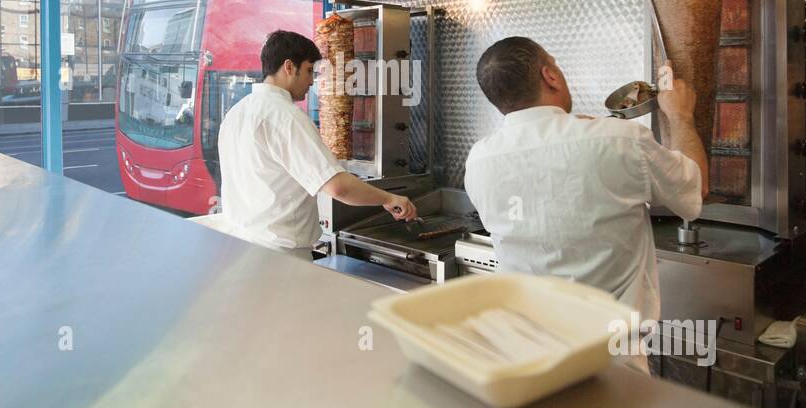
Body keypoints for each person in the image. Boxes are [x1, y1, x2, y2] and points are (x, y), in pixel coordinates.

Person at [463, 37, 708, 325]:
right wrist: (680, 115)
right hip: (606, 355)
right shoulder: (621, 139)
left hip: (524, 346)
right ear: (550, 76)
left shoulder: (479, 159)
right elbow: (695, 187)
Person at [216, 30, 417, 259]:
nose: (312, 81)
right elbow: (337, 187)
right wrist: (389, 199)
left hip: (242, 247)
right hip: (281, 256)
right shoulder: (286, 117)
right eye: (309, 71)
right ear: (289, 67)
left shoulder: (236, 112)